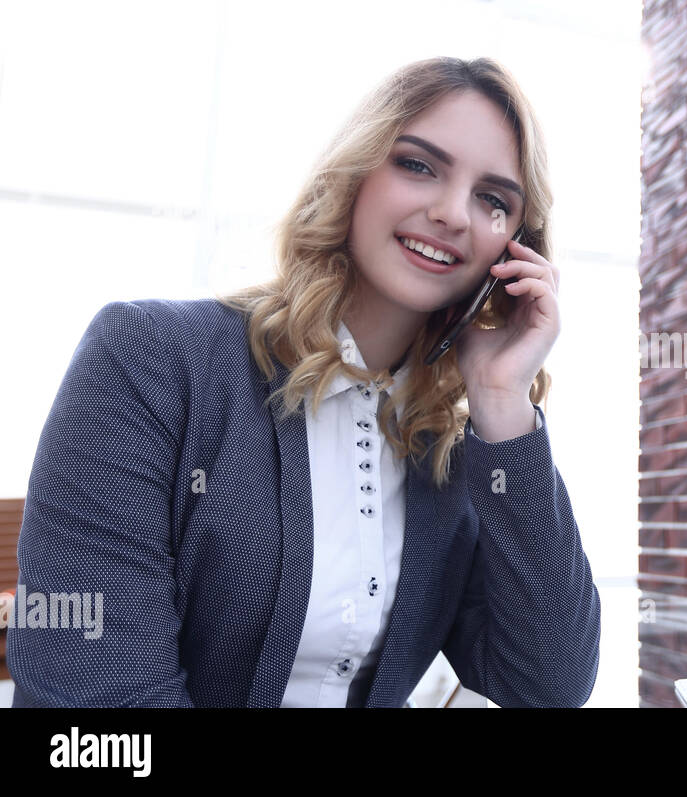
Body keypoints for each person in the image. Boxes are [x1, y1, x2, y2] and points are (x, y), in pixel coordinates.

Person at [7, 56, 600, 708]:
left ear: (514, 253)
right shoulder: (147, 359)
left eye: (493, 200)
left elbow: (548, 685)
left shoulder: (455, 451)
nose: (453, 212)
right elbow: (99, 706)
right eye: (417, 164)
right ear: (355, 172)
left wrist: (501, 400)